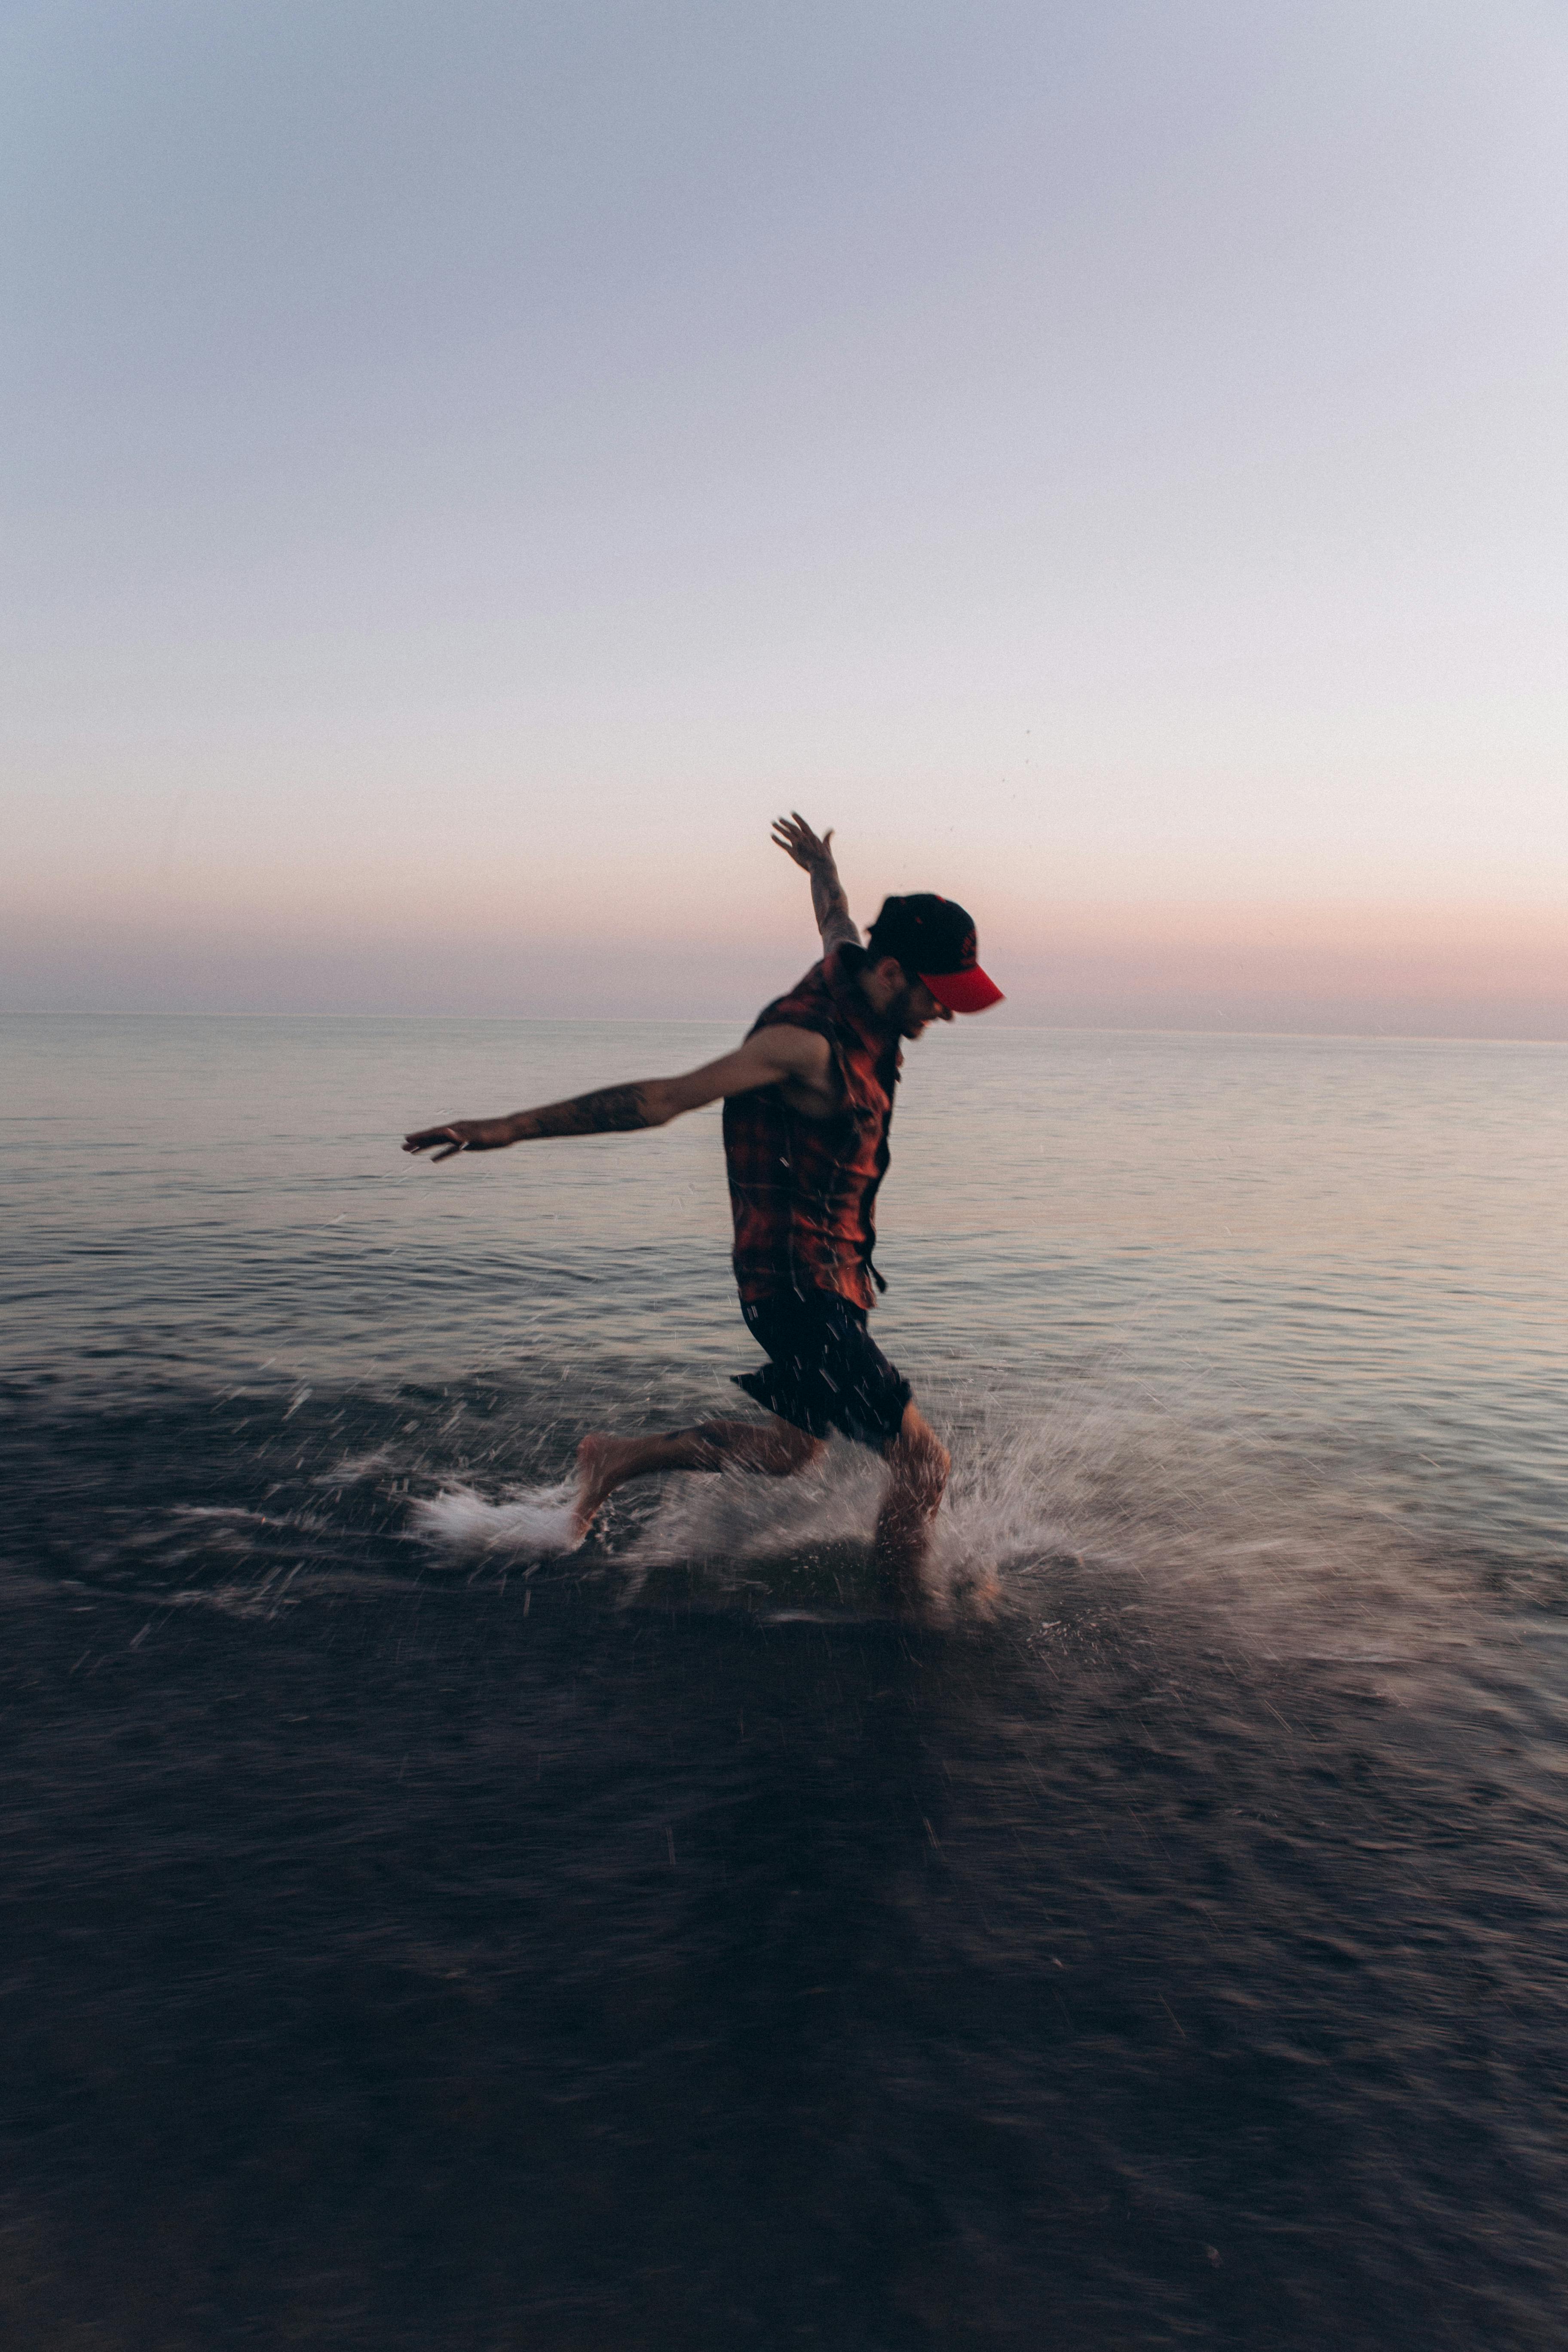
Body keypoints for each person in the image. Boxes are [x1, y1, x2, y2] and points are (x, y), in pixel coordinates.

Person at [402, 818, 1004, 1616]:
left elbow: (836, 919)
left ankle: (618, 1459)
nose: (949, 1014)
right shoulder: (806, 1045)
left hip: (817, 1280)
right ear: (892, 973)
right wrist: (508, 1128)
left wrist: (822, 868)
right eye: (940, 995)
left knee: (793, 1452)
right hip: (799, 1289)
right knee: (925, 1466)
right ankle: (906, 1619)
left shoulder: (853, 972)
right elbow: (662, 1100)